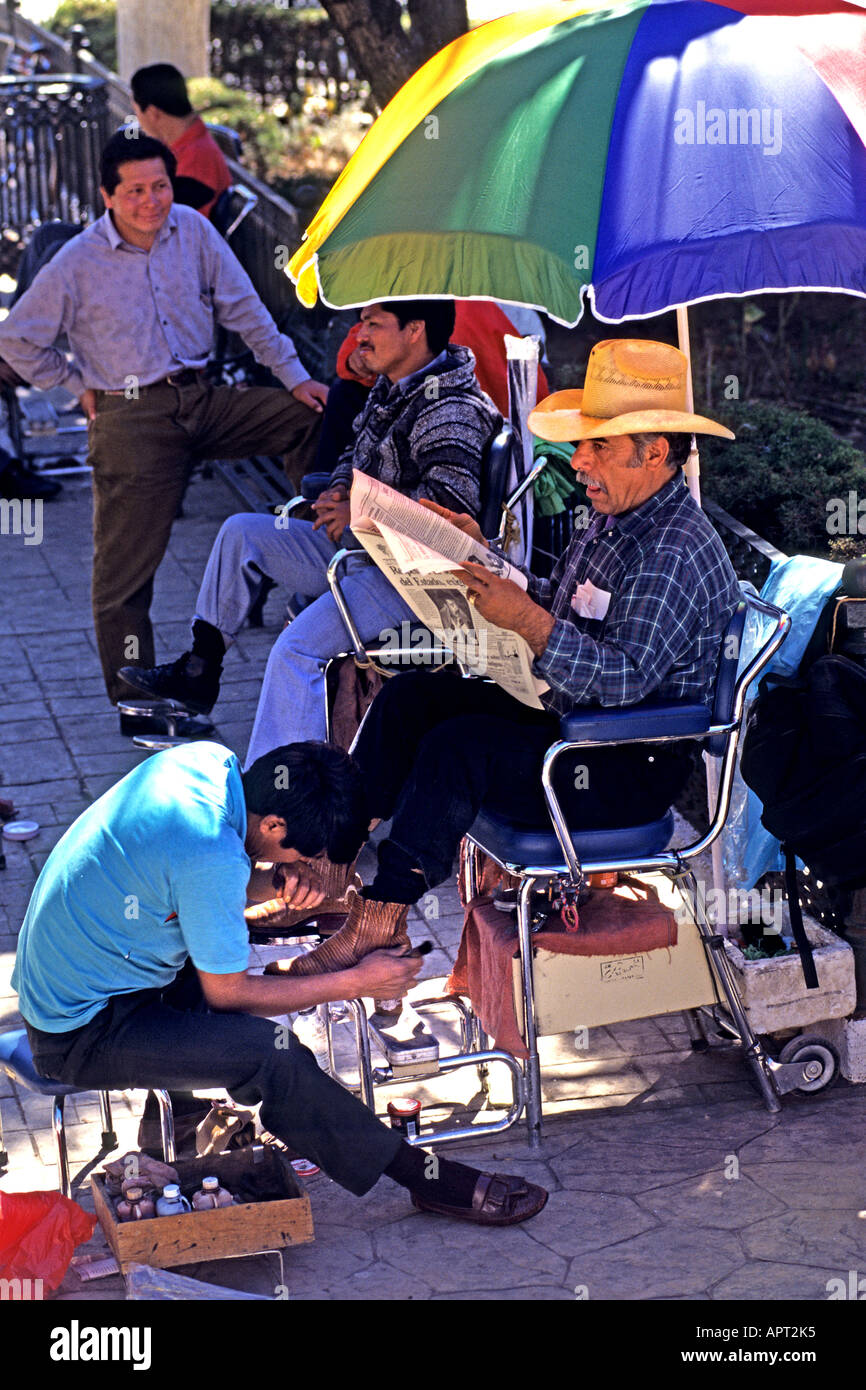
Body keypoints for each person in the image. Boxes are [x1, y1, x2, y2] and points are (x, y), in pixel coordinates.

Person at [270, 339, 743, 977]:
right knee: (413, 698)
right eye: (582, 444)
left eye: (597, 446)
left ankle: (381, 920)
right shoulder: (618, 515)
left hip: (617, 761)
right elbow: (563, 601)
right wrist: (478, 547)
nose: (578, 463)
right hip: (567, 718)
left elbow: (626, 681)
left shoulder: (674, 547)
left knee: (461, 748)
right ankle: (332, 863)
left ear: (655, 453)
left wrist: (531, 625)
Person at [12, 739, 548, 1226]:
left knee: (237, 1005)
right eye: (300, 855)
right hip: (78, 1033)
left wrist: (266, 879)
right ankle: (427, 1180)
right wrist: (355, 981)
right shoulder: (209, 852)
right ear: (272, 827)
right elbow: (230, 995)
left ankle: (174, 1132)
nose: (303, 867)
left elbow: (179, 875)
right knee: (274, 1055)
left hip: (99, 978)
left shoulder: (204, 763)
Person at [0, 132, 329, 716]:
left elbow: (245, 309)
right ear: (107, 195)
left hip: (202, 398)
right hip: (132, 416)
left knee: (305, 419)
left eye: (160, 186)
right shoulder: (76, 261)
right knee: (124, 574)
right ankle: (137, 699)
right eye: (134, 191)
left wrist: (295, 377)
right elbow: (16, 338)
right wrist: (77, 386)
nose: (151, 200)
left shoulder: (194, 230)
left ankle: (316, 567)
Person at [118, 299, 503, 761]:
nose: (359, 335)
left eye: (373, 324)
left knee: (296, 651)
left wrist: (358, 512)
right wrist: (340, 490)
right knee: (243, 532)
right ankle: (199, 671)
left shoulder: (451, 410)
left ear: (415, 330)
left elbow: (447, 520)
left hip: (415, 579)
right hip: (366, 551)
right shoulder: (394, 386)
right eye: (362, 322)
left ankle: (278, 796)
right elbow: (351, 453)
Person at [131, 63, 231, 219]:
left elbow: (160, 222)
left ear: (152, 113)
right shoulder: (188, 143)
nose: (139, 122)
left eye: (136, 113)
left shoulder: (194, 160)